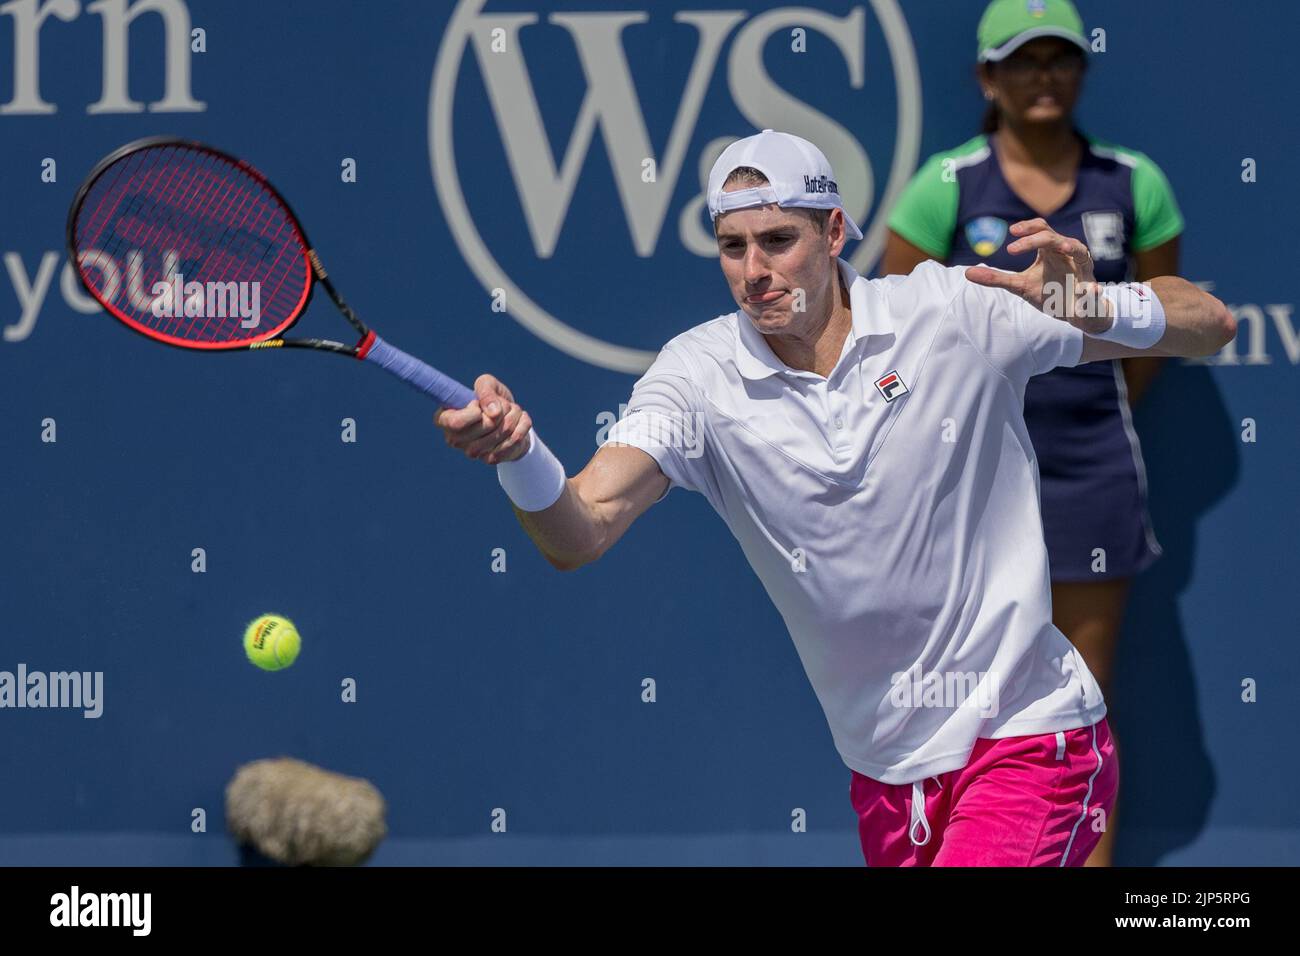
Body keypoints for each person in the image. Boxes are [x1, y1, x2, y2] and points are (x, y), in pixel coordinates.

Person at [434, 129, 1233, 866]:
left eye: (778, 240)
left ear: (833, 232)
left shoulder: (953, 310)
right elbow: (581, 531)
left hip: (1031, 738)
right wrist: (522, 458)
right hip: (887, 777)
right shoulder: (696, 377)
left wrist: (1096, 306)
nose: (755, 271)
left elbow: (1210, 322)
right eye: (732, 246)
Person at [880, 0, 1185, 865]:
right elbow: (893, 326)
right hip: (967, 481)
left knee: (1082, 702)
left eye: (1060, 58)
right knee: (960, 704)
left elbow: (1159, 320)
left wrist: (1090, 395)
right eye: (1023, 61)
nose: (1044, 76)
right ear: (988, 78)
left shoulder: (1135, 183)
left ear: (1082, 70)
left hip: (1090, 467)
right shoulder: (946, 184)